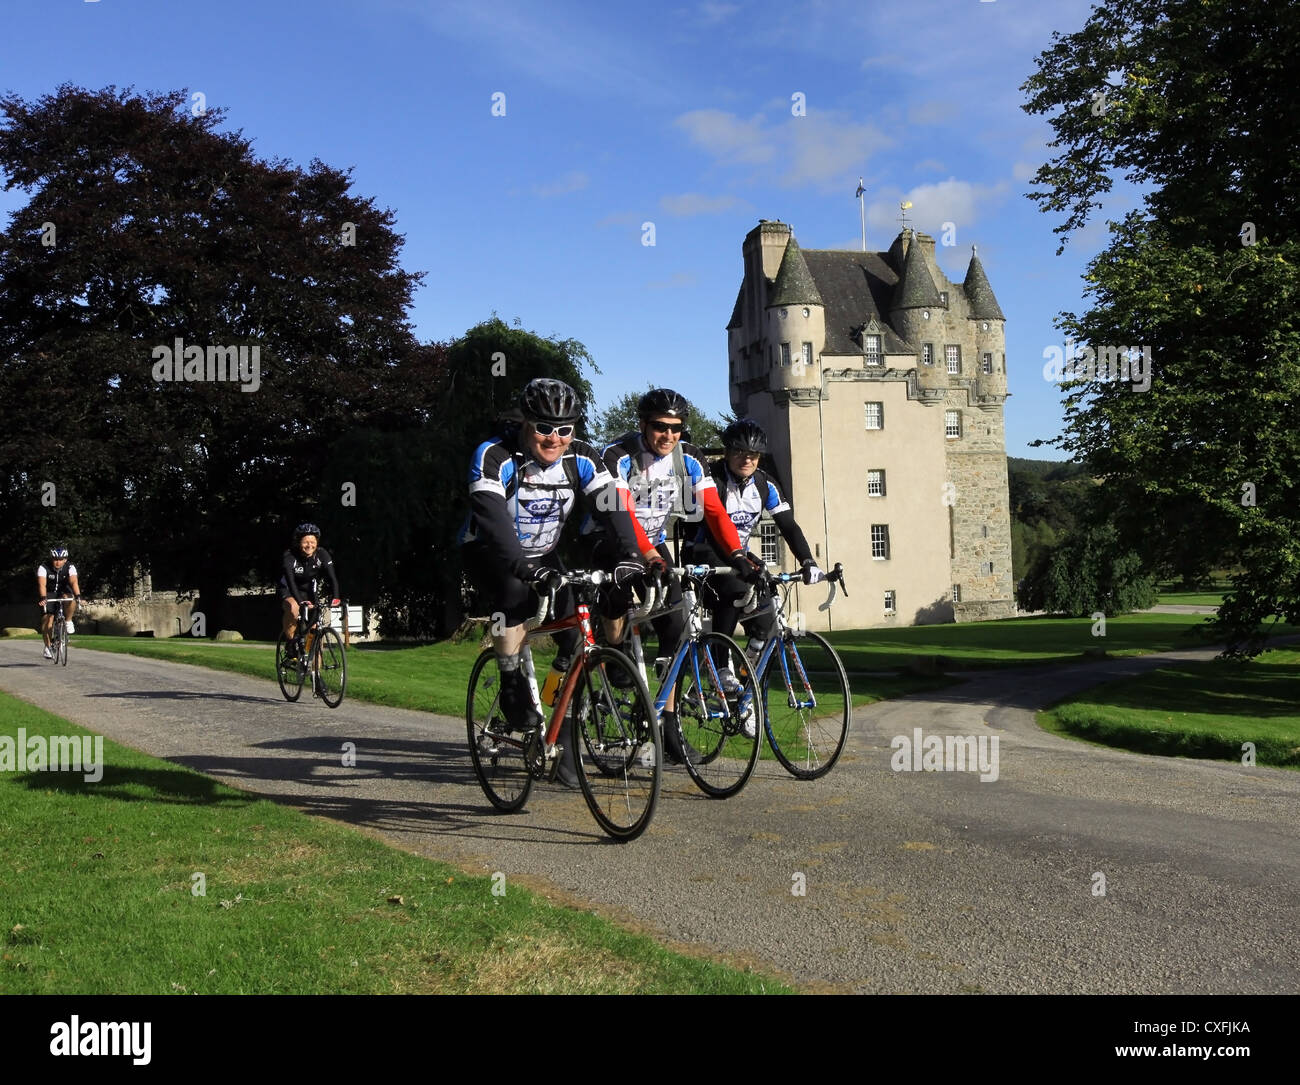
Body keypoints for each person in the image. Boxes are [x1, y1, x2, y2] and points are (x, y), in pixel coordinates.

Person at [459, 377, 644, 787]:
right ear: (525, 423)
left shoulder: (582, 457)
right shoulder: (495, 455)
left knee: (576, 635)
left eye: (564, 429)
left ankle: (559, 730)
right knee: (514, 595)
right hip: (490, 549)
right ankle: (510, 681)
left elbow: (612, 504)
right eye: (544, 428)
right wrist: (524, 569)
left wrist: (630, 554)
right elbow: (490, 517)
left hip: (544, 552)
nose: (554, 438)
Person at [584, 388, 763, 761]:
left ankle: (667, 726)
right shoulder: (618, 455)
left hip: (653, 542)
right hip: (611, 539)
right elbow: (621, 509)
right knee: (617, 596)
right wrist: (644, 554)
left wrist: (737, 553)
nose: (668, 435)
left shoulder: (691, 458)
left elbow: (714, 511)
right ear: (643, 425)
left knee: (677, 627)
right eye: (659, 427)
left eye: (676, 427)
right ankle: (615, 653)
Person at [685, 418, 825, 733]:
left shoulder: (765, 484)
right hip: (704, 553)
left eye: (754, 454)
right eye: (740, 452)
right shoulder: (713, 479)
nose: (747, 459)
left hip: (741, 557)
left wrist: (807, 561)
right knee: (734, 588)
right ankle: (720, 668)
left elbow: (788, 525)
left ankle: (745, 693)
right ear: (727, 451)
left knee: (765, 624)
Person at [279, 523, 341, 655]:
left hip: (309, 591)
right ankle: (290, 642)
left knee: (315, 628)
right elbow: (290, 581)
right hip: (290, 589)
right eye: (305, 542)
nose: (309, 545)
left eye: (313, 542)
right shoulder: (290, 556)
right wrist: (300, 601)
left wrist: (336, 597)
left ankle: (311, 664)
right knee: (293, 609)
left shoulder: (322, 554)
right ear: (298, 542)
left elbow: (332, 577)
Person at [36, 546, 82, 659]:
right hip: (49, 593)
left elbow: (74, 582)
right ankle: (47, 647)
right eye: (55, 559)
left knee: (70, 598)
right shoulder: (43, 567)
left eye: (61, 559)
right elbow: (42, 585)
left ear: (65, 559)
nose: (58, 562)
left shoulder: (70, 567)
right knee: (48, 620)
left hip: (63, 591)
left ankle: (68, 621)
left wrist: (78, 596)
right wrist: (43, 598)